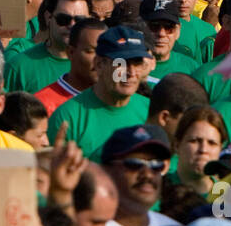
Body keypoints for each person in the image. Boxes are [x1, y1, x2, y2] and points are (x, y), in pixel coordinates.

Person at [47, 27, 153, 160]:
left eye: (137, 63)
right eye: (121, 63)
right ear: (99, 64)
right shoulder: (68, 118)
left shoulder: (150, 110)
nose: (131, 73)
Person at [4, 0, 91, 95]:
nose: (72, 25)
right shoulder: (18, 67)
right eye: (63, 19)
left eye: (79, 20)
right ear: (48, 17)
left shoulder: (99, 66)